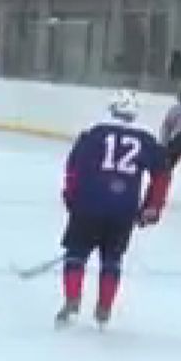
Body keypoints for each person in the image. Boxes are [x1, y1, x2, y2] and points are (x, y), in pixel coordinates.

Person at [56, 89, 171, 329]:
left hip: (88, 205)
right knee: (112, 259)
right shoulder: (146, 140)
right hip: (124, 209)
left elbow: (73, 169)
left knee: (76, 254)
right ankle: (104, 307)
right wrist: (152, 206)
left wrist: (71, 198)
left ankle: (72, 300)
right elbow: (162, 174)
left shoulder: (93, 135)